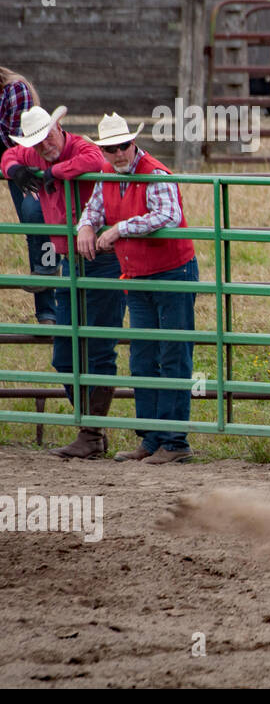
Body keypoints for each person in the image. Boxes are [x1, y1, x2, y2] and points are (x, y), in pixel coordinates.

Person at [2, 106, 125, 458]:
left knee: (98, 347)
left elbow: (91, 162)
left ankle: (91, 432)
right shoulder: (34, 152)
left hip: (102, 256)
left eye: (48, 138)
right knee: (65, 353)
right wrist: (16, 169)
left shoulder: (81, 147)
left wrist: (51, 172)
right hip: (71, 260)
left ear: (59, 128)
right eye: (37, 144)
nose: (44, 147)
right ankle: (92, 429)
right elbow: (9, 155)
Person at [76, 113, 199, 464]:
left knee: (172, 354)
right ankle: (151, 437)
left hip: (171, 271)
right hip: (139, 273)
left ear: (133, 143)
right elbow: (93, 209)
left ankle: (175, 442)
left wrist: (119, 229)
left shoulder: (155, 174)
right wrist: (86, 227)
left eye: (122, 146)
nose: (117, 154)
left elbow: (168, 215)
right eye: (110, 148)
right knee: (144, 356)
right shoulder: (107, 177)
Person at [1, 67, 56, 325]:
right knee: (36, 231)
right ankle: (48, 313)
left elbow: (16, 140)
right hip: (17, 165)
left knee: (41, 223)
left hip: (34, 164)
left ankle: (52, 311)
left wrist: (56, 170)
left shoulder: (14, 90)